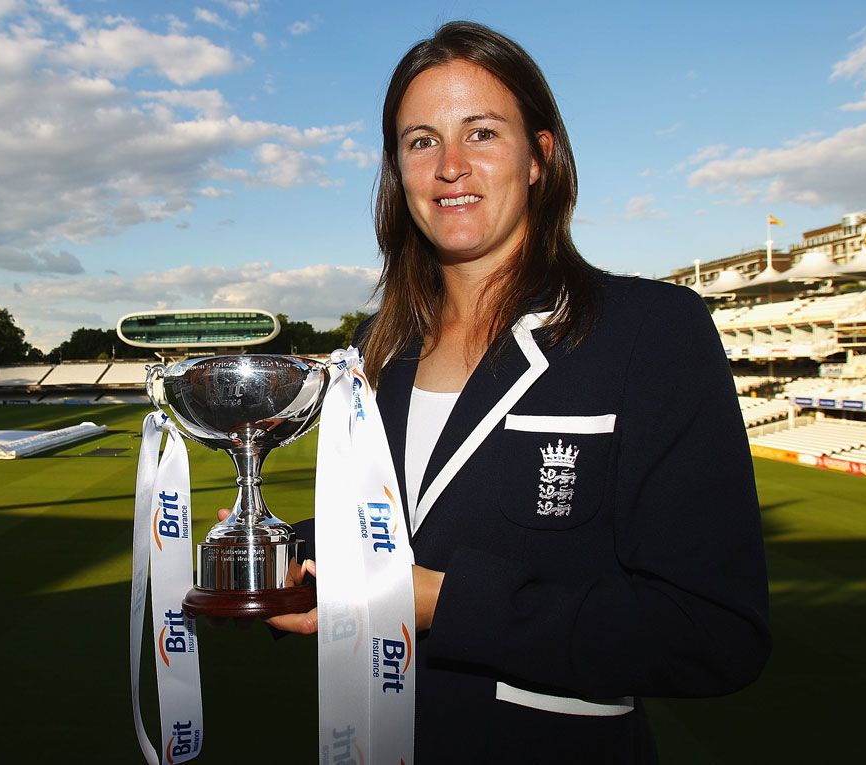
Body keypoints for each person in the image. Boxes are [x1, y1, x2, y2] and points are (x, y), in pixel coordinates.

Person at [267, 20, 771, 764]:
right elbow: (405, 527)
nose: (450, 167)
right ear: (397, 171)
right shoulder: (379, 344)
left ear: (540, 156)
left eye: (482, 133)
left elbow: (713, 632)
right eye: (421, 141)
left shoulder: (650, 330)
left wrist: (449, 605)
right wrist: (280, 552)